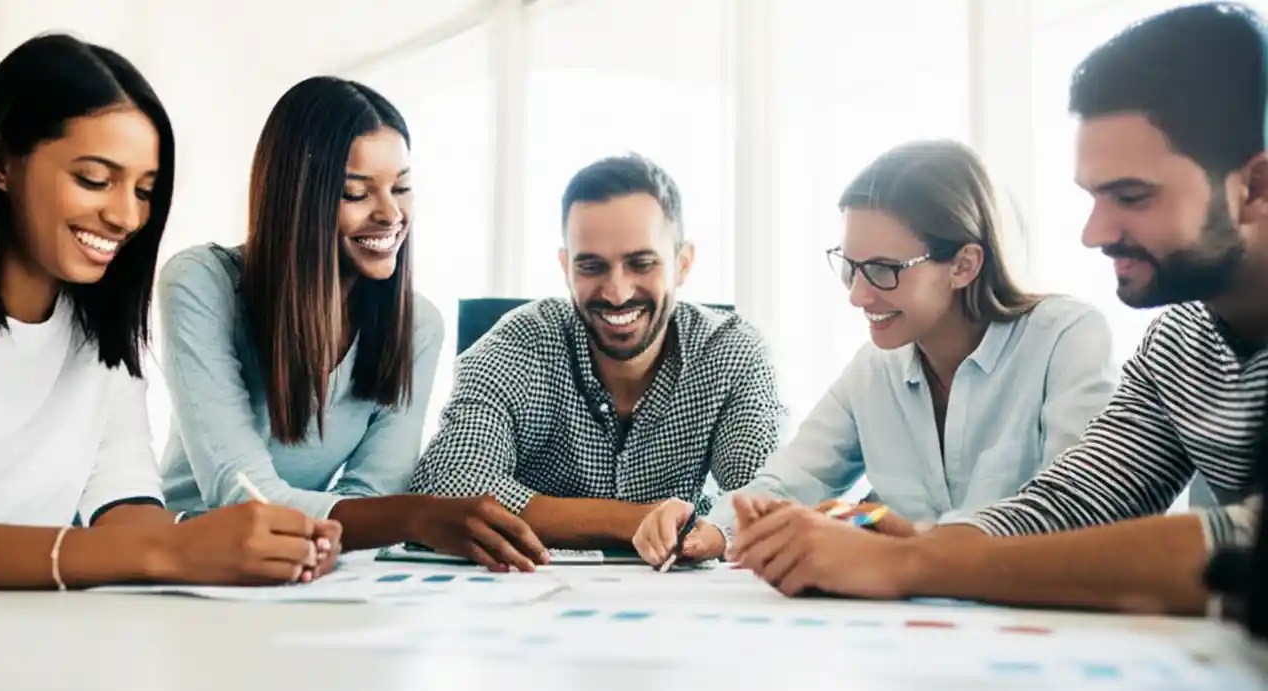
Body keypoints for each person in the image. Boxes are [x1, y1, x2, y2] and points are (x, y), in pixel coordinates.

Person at [730, 2, 1267, 615]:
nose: (1094, 233)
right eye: (1092, 197)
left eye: (1131, 196)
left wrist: (910, 561)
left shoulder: (1066, 334)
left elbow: (1250, 550)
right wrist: (922, 545)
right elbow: (1077, 504)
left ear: (1254, 187)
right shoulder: (1178, 344)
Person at [635, 140, 1115, 565]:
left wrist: (912, 539)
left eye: (884, 269)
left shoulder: (1066, 340)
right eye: (851, 267)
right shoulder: (876, 367)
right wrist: (712, 530)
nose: (858, 296)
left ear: (964, 264)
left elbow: (1082, 513)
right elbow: (792, 479)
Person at [0, 34, 336, 589]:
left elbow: (126, 506)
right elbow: (144, 548)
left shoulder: (98, 339)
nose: (127, 217)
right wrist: (166, 551)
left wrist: (234, 542)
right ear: (1, 161)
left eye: (146, 190)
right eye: (94, 179)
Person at [158, 77, 546, 573]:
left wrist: (377, 522)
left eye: (402, 188)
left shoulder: (418, 325)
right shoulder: (201, 283)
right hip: (188, 558)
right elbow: (239, 490)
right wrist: (413, 515)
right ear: (297, 198)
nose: (390, 214)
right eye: (355, 192)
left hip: (308, 562)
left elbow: (373, 490)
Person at [413, 154, 786, 549]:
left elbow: (765, 497)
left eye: (641, 264)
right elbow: (447, 485)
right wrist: (645, 521)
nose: (617, 293)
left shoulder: (731, 350)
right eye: (591, 267)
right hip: (527, 590)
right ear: (565, 266)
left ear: (682, 263)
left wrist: (707, 528)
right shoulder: (520, 343)